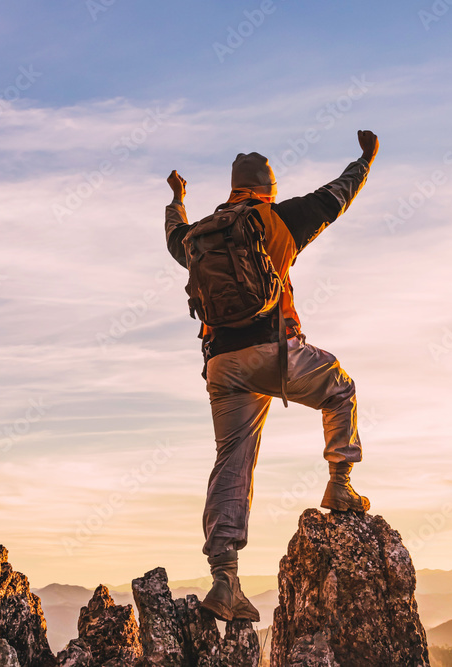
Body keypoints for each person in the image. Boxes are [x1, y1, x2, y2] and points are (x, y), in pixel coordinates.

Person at [164, 130, 379, 622]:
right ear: (267, 189)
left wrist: (177, 197)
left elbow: (172, 233)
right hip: (273, 350)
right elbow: (338, 195)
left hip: (220, 365)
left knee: (231, 461)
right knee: (339, 387)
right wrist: (365, 159)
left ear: (233, 187)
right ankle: (340, 482)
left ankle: (225, 578)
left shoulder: (198, 237)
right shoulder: (279, 218)